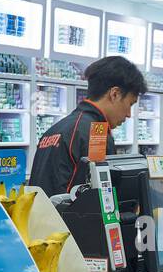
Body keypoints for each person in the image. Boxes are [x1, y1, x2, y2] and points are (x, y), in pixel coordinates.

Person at [29, 55, 146, 197]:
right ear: (114, 94)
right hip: (70, 219)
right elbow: (99, 199)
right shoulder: (96, 132)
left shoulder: (56, 129)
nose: (128, 114)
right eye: (130, 104)